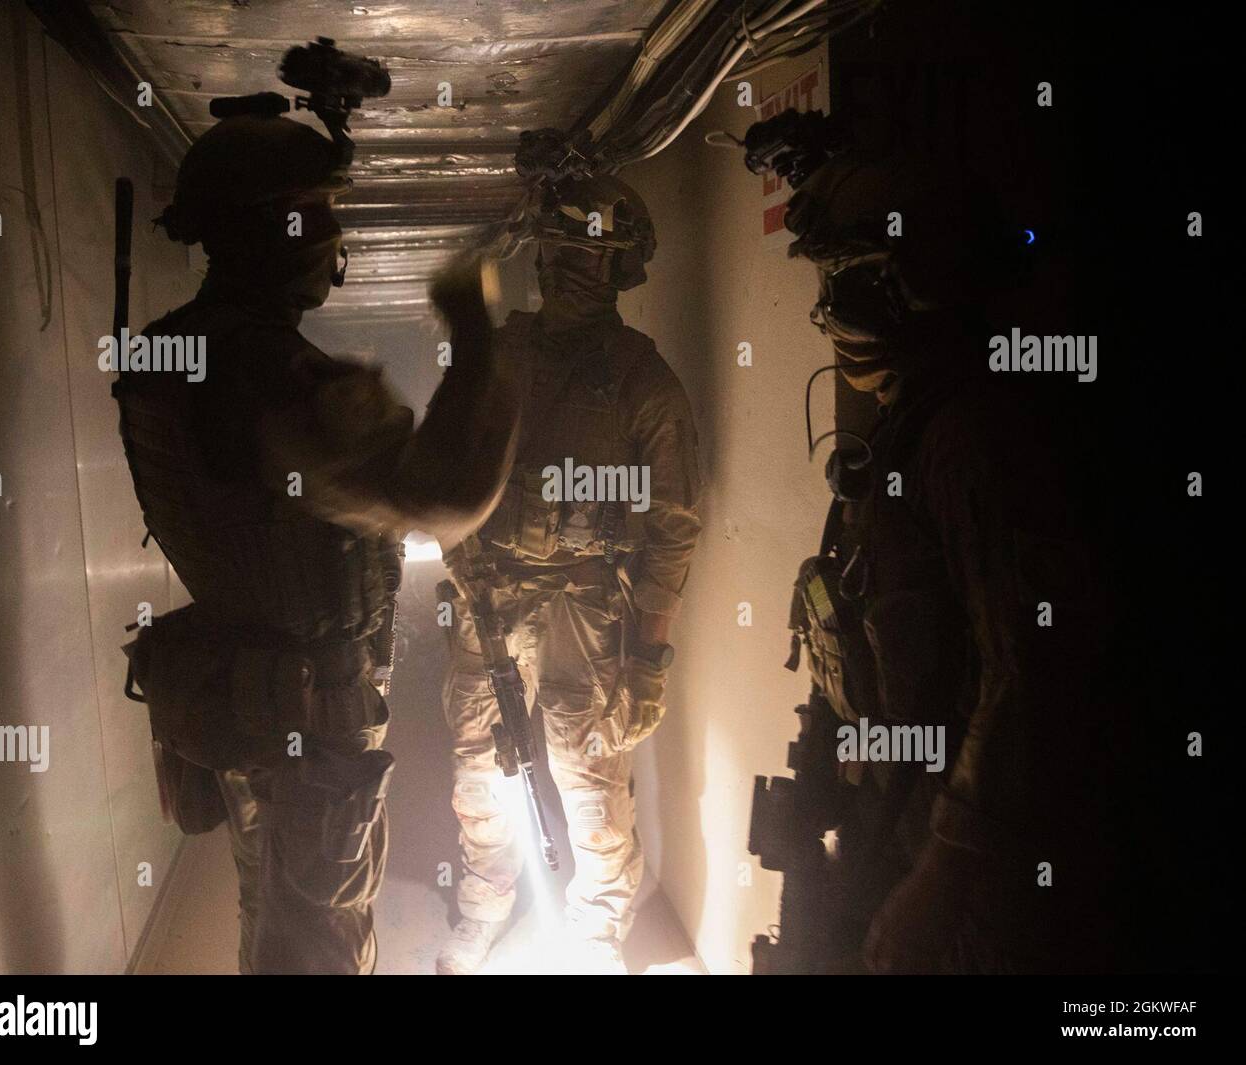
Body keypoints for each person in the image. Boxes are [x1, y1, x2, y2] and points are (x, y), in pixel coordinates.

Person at [114, 112, 518, 974]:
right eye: (317, 214)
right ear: (273, 230)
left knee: (273, 905)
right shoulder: (269, 374)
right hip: (308, 710)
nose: (331, 238)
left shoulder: (169, 350)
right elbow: (446, 493)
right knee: (319, 941)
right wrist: (478, 336)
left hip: (240, 686)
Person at [776, 146, 1122, 974]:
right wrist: (819, 754)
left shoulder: (970, 442)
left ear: (911, 295)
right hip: (903, 819)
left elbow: (1026, 668)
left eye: (848, 291)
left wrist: (942, 872)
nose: (829, 317)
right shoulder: (910, 430)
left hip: (971, 868)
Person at [436, 174, 702, 975]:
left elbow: (674, 528)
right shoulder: (501, 356)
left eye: (585, 252)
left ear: (618, 266)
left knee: (590, 780)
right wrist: (457, 554)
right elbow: (446, 462)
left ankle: (596, 931)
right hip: (488, 597)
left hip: (587, 608)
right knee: (479, 769)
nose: (564, 268)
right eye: (556, 250)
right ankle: (483, 903)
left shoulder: (639, 380)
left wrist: (649, 656)